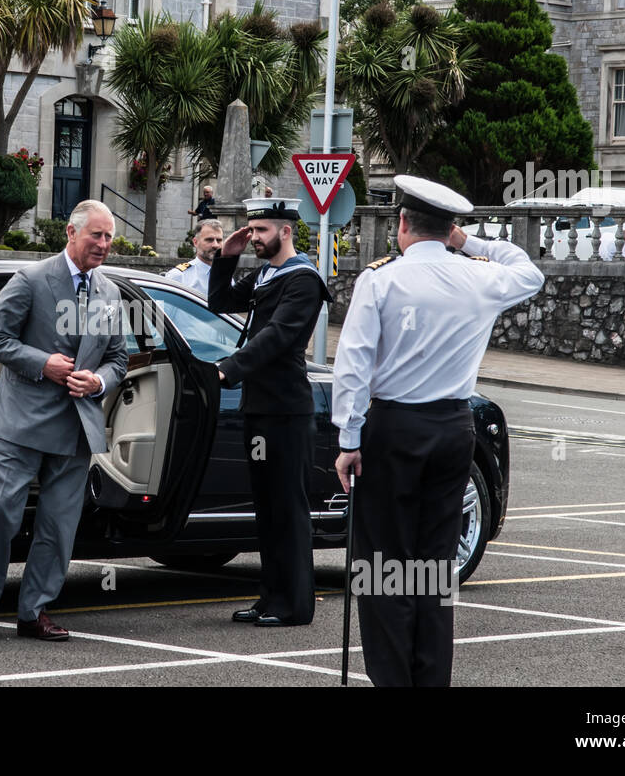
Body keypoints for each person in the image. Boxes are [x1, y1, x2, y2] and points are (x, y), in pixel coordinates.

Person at [331, 175, 544, 687]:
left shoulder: (381, 281)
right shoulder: (479, 277)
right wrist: (470, 243)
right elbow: (528, 270)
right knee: (432, 565)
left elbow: (353, 366)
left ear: (402, 224)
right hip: (453, 426)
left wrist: (348, 438)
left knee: (384, 564)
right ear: (450, 229)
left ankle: (392, 679)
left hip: (394, 426)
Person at [0, 199, 128, 642]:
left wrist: (98, 383)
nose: (103, 244)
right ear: (71, 233)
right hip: (21, 423)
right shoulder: (30, 279)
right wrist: (42, 362)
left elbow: (119, 359)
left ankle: (34, 611)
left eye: (108, 237)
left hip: (77, 426)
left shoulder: (110, 292)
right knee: (1, 515)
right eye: (96, 235)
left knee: (58, 523)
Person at [208, 198, 331, 628]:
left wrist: (229, 368)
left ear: (286, 231)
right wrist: (227, 256)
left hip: (287, 413)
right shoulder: (264, 274)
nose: (254, 237)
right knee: (267, 507)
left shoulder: (303, 280)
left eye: (261, 231)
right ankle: (270, 596)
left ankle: (295, 605)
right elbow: (219, 301)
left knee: (289, 509)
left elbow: (278, 336)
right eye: (252, 230)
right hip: (259, 409)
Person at [164, 219, 223, 295]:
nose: (215, 245)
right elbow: (157, 303)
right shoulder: (179, 276)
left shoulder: (226, 275)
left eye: (219, 240)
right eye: (209, 240)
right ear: (195, 242)